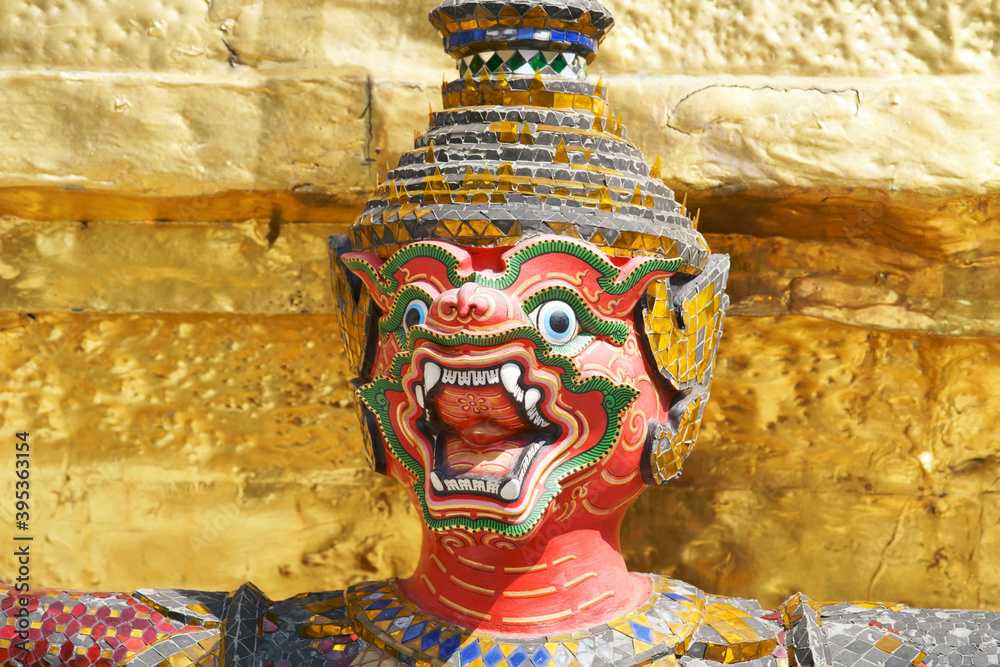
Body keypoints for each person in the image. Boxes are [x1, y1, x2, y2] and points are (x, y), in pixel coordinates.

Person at [2, 1, 996, 665]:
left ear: (677, 362)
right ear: (364, 353)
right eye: (414, 302)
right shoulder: (240, 646)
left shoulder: (796, 652)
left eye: (558, 309)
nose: (463, 312)